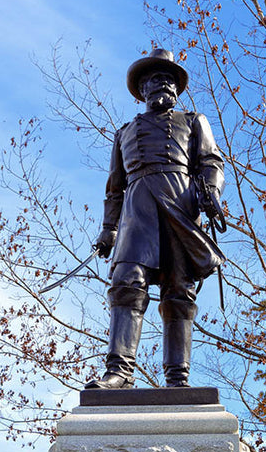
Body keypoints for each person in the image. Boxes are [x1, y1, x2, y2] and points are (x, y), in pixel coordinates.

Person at [85, 49, 225, 389]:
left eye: (170, 79)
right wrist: (108, 229)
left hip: (180, 205)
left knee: (179, 291)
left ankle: (178, 378)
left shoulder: (193, 121)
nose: (165, 83)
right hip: (137, 212)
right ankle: (119, 372)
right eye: (156, 78)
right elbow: (114, 188)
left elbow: (212, 162)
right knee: (126, 284)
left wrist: (210, 191)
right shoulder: (124, 132)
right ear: (142, 89)